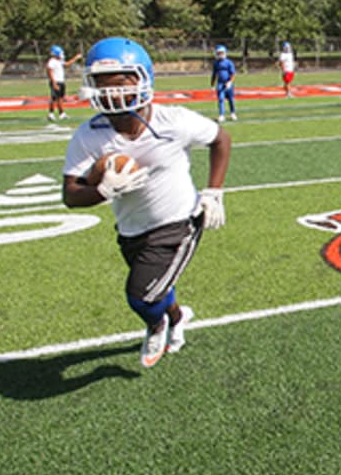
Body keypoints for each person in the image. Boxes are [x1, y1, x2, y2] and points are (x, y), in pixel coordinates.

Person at [62, 37, 232, 369]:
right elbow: (70, 195)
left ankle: (156, 325)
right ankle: (177, 317)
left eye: (121, 81)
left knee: (141, 295)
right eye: (102, 82)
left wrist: (214, 192)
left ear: (143, 79)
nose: (112, 91)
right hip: (131, 227)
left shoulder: (175, 120)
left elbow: (220, 139)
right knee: (156, 285)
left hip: (180, 221)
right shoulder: (89, 134)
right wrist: (104, 190)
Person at [45, 45, 83, 122]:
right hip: (56, 82)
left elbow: (67, 64)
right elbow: (50, 73)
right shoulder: (52, 62)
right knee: (54, 98)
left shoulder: (59, 61)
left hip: (61, 81)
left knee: (60, 98)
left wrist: (76, 58)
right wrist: (54, 83)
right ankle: (52, 114)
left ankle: (61, 113)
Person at [210, 44, 237, 122]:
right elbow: (214, 74)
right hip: (220, 83)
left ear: (225, 53)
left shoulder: (229, 63)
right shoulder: (216, 63)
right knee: (221, 99)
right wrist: (212, 84)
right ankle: (221, 115)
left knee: (231, 99)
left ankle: (233, 113)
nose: (220, 55)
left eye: (221, 53)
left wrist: (230, 82)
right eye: (218, 53)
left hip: (228, 83)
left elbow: (233, 74)